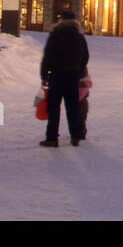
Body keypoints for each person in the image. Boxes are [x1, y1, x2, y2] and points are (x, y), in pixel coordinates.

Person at [40, 10, 89, 146]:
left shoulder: (55, 35)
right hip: (73, 76)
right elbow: (85, 57)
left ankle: (52, 138)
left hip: (56, 76)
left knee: (54, 108)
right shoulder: (79, 37)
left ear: (61, 20)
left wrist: (44, 75)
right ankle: (75, 136)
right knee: (73, 107)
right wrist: (79, 71)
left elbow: (47, 56)